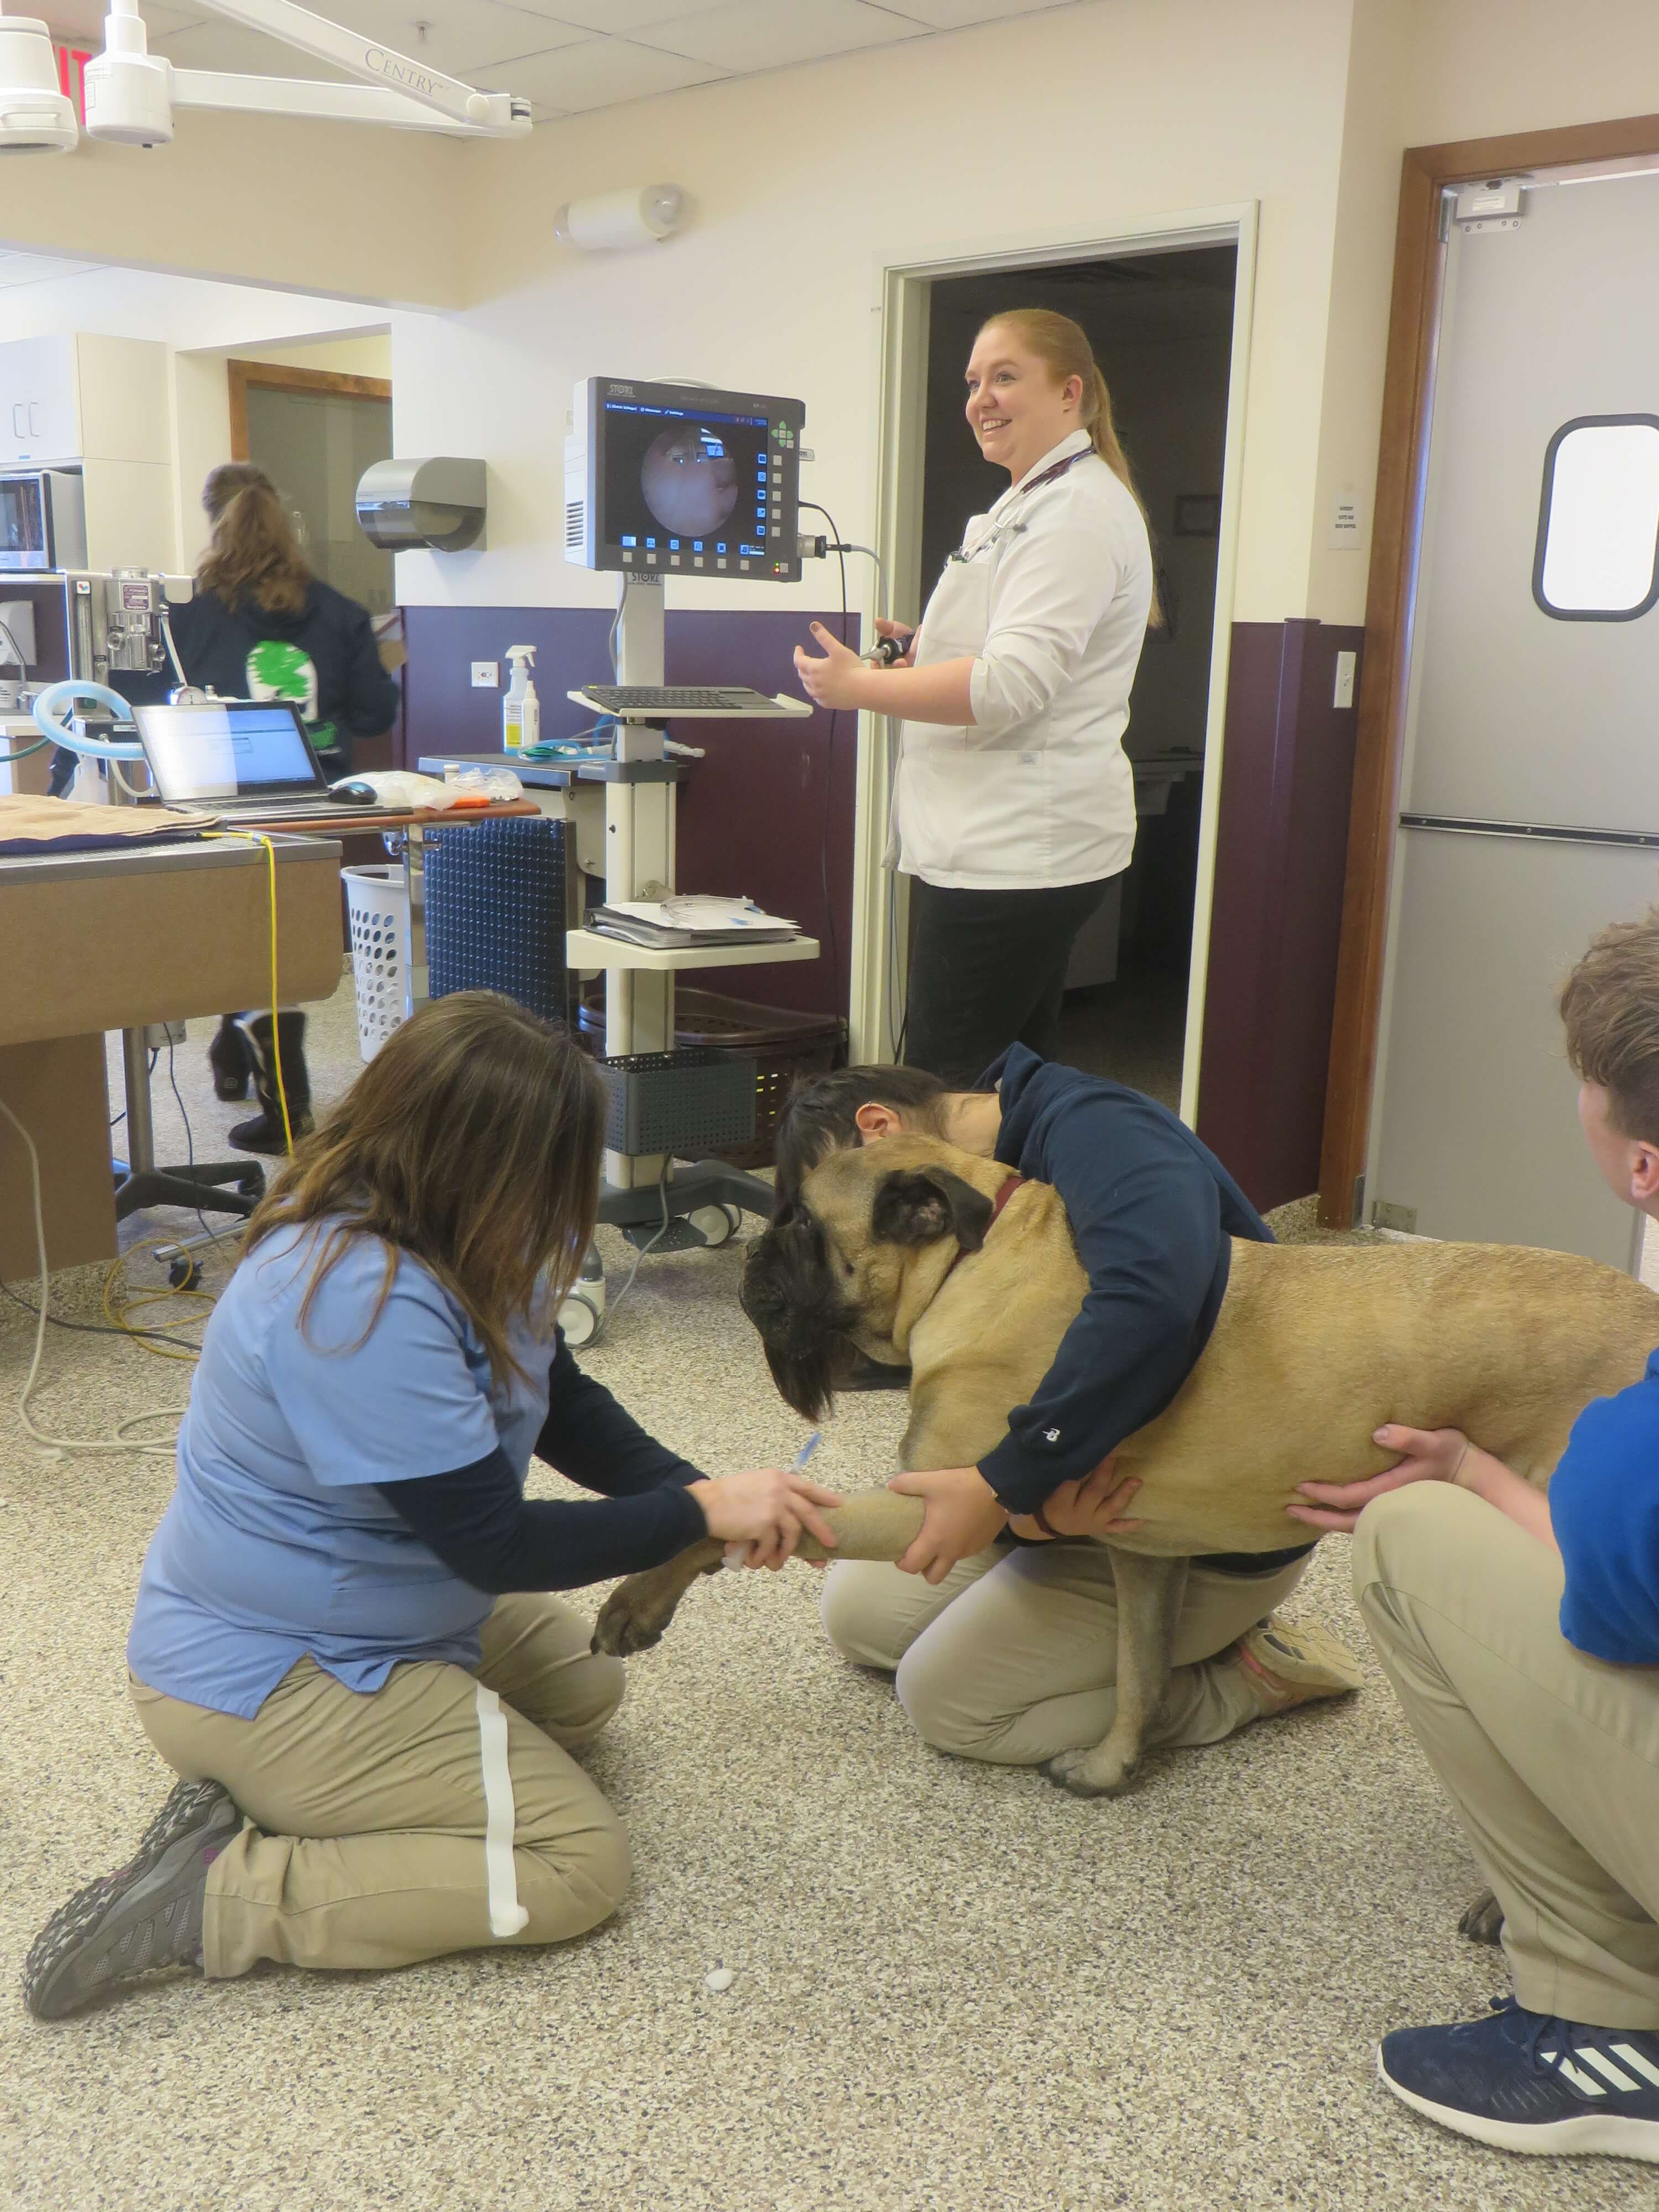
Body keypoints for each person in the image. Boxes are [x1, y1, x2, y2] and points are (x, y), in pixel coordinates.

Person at [21, 993, 842, 2021]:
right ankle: (218, 1898)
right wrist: (701, 1515)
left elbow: (560, 1399)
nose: (569, 1199)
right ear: (484, 1162)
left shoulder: (464, 1230)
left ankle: (297, 1794)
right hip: (268, 1668)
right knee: (577, 1866)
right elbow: (494, 1545)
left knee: (584, 1687)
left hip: (372, 1611)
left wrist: (696, 1495)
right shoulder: (353, 1299)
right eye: (557, 1169)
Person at [1281, 913, 1659, 2164]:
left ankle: (1605, 2023)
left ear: (1642, 1164)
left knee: (1403, 1536)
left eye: (1584, 1087)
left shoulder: (1634, 1443)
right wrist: (1483, 1471)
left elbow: (1609, 1614)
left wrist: (1455, 1490)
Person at [769, 1046, 1361, 1776]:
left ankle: (1242, 1678)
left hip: (1203, 1521)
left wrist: (1012, 1478)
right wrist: (1032, 1512)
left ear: (882, 1134)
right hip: (1076, 1499)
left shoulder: (1098, 1129)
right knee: (858, 1617)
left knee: (950, 1704)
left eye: (828, 1225)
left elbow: (1153, 1300)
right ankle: (1082, 1625)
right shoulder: (983, 1190)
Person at [794, 309, 1156, 1089]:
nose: (981, 399)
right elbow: (1008, 650)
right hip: (1007, 846)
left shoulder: (1075, 513)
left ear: (1070, 393)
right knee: (1009, 1083)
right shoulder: (1032, 502)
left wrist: (862, 686)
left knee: (944, 1094)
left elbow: (1010, 683)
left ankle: (964, 1177)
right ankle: (1015, 1177)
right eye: (973, 382)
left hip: (1012, 854)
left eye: (1005, 377)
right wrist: (926, 651)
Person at [173, 462, 403, 1152]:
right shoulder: (341, 613)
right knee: (271, 940)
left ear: (214, 523)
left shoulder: (190, 619)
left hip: (221, 803)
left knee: (241, 938)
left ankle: (288, 1112)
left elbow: (158, 707)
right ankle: (232, 1052)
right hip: (315, 806)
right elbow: (375, 714)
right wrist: (329, 718)